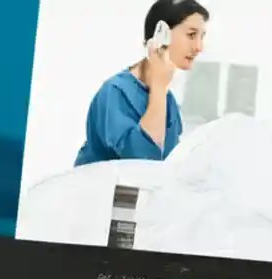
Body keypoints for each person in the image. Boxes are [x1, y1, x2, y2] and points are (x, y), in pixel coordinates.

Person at [74, 0, 209, 167]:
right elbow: (142, 161)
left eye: (202, 36)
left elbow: (166, 168)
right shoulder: (115, 92)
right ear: (162, 34)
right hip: (97, 192)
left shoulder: (169, 102)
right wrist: (158, 86)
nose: (199, 47)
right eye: (191, 35)